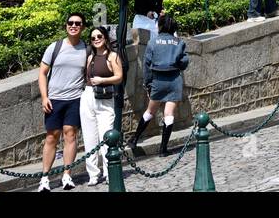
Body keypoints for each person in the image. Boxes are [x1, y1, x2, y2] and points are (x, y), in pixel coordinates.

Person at [38, 12, 88, 191]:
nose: (73, 25)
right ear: (66, 26)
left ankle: (67, 175)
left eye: (78, 23)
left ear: (83, 27)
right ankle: (45, 177)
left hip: (75, 99)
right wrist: (44, 97)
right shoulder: (55, 47)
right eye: (70, 23)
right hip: (55, 99)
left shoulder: (86, 49)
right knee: (52, 137)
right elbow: (42, 73)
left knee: (70, 134)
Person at [130, 14, 189, 158]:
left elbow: (147, 65)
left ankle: (134, 139)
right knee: (169, 115)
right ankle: (163, 149)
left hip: (158, 80)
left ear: (160, 26)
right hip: (174, 79)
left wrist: (148, 83)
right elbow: (184, 62)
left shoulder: (153, 42)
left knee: (150, 111)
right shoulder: (179, 42)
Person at [79, 25, 123, 186]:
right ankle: (93, 174)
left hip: (105, 96)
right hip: (89, 95)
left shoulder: (112, 56)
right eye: (93, 38)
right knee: (89, 137)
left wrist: (103, 80)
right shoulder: (90, 57)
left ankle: (109, 170)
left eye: (99, 36)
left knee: (106, 136)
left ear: (105, 38)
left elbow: (119, 77)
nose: (96, 39)